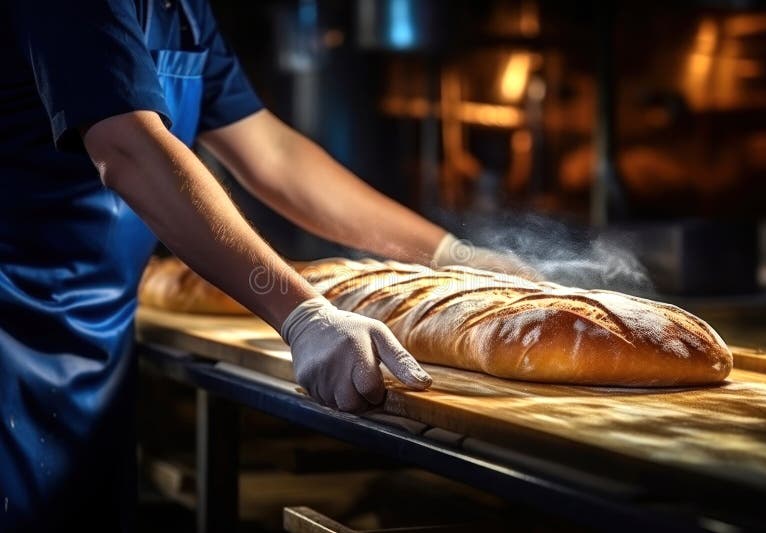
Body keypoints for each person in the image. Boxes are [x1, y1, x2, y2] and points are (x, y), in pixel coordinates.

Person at [0, 0, 533, 530]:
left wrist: (448, 254)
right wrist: (300, 314)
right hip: (14, 335)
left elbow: (273, 156)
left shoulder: (183, 11)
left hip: (99, 342)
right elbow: (127, 148)